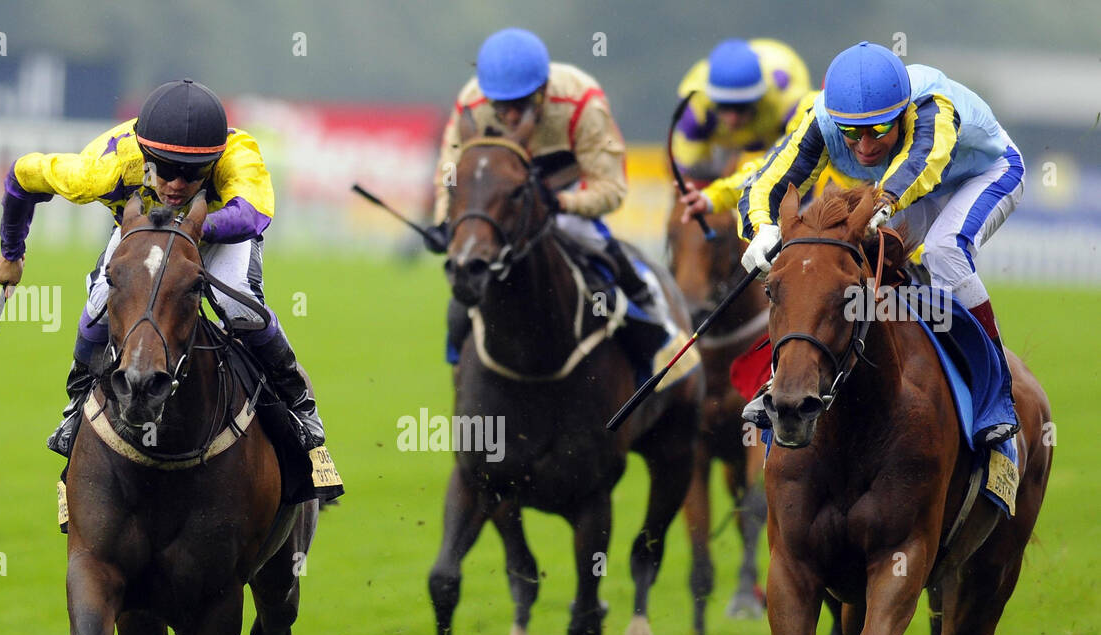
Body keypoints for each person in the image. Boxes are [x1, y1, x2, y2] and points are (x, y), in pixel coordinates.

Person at [0, 78, 338, 489]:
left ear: (213, 160)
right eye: (166, 169)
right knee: (96, 313)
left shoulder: (239, 152)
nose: (176, 184)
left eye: (192, 174)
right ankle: (76, 409)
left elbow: (253, 214)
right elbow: (20, 177)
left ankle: (299, 403)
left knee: (241, 306)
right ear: (143, 154)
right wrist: (11, 252)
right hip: (142, 236)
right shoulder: (102, 167)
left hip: (212, 234)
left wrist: (193, 228)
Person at [735, 42, 1022, 445]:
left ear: (902, 112)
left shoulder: (931, 107)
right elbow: (770, 180)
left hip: (983, 174)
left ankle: (996, 392)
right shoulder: (821, 119)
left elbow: (922, 161)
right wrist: (761, 228)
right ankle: (784, 379)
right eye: (851, 133)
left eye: (880, 130)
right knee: (831, 259)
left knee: (944, 250)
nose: (865, 146)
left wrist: (885, 202)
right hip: (910, 191)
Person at [425, 27, 672, 367]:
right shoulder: (472, 102)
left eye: (523, 104)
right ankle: (461, 359)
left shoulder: (582, 100)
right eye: (502, 106)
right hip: (506, 206)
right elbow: (451, 174)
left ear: (544, 88)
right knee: (466, 277)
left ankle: (651, 319)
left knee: (592, 242)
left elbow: (611, 188)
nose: (512, 116)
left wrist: (561, 204)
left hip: (564, 199)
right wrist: (444, 222)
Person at [672, 37, 811, 220]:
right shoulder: (695, 108)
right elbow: (685, 173)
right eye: (724, 106)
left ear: (759, 98)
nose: (733, 118)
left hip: (773, 131)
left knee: (791, 180)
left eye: (741, 107)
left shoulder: (787, 100)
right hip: (718, 141)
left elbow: (802, 166)